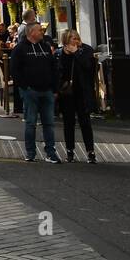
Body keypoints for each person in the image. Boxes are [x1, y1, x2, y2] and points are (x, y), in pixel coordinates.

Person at [10, 22, 62, 162]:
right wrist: (25, 87)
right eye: (40, 30)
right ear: (31, 32)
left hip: (47, 90)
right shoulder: (20, 49)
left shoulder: (45, 46)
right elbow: (14, 70)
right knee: (30, 123)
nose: (42, 32)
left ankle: (51, 153)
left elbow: (53, 67)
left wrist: (54, 88)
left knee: (49, 124)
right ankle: (30, 153)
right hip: (30, 91)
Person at [56, 29, 98, 163]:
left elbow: (89, 68)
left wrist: (76, 54)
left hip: (82, 92)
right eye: (72, 38)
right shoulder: (60, 53)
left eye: (76, 38)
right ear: (66, 41)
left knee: (85, 121)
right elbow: (57, 72)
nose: (75, 41)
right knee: (68, 122)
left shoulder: (86, 51)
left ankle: (90, 152)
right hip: (67, 93)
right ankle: (69, 151)